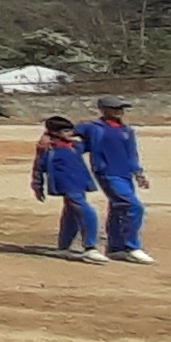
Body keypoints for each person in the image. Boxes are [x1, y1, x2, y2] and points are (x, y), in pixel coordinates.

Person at [77, 99, 150, 263]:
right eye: (114, 108)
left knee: (119, 208)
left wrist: (138, 173)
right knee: (134, 207)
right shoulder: (93, 127)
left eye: (121, 108)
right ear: (103, 109)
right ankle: (132, 246)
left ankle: (115, 248)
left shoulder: (126, 130)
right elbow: (65, 131)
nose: (119, 111)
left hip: (125, 173)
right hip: (107, 173)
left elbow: (132, 154)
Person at [31, 113, 104, 263]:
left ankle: (64, 246)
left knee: (71, 214)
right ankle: (90, 247)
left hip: (80, 183)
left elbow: (90, 138)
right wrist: (37, 186)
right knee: (87, 212)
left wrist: (77, 130)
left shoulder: (75, 146)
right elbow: (38, 168)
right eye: (66, 131)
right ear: (55, 133)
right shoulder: (49, 149)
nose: (71, 134)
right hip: (66, 185)